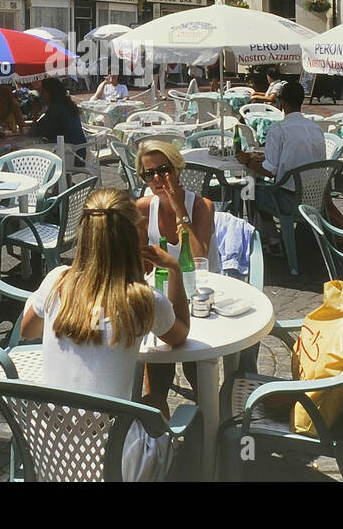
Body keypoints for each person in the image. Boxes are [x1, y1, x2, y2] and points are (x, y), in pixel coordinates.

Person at [19, 187, 191, 480]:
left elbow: (27, 330)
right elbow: (179, 336)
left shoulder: (56, 282)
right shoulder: (143, 300)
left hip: (53, 453)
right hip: (116, 463)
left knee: (144, 404)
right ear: (132, 242)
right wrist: (174, 269)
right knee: (157, 403)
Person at [134, 138, 218, 412]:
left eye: (164, 169)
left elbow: (197, 259)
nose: (158, 178)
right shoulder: (143, 209)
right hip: (162, 298)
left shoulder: (203, 206)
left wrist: (180, 208)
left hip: (201, 300)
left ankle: (207, 421)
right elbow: (137, 265)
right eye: (150, 173)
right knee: (158, 366)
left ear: (178, 169)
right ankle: (159, 431)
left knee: (197, 366)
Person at [235, 80, 326, 246]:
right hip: (316, 196)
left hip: (290, 200)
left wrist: (247, 160)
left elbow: (270, 171)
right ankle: (279, 236)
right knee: (259, 186)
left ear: (281, 102)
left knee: (249, 189)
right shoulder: (316, 128)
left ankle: (270, 237)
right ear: (302, 101)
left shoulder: (279, 129)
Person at [33, 77, 85, 145]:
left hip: (67, 151)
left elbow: (38, 130)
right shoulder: (67, 103)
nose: (42, 95)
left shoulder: (56, 108)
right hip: (79, 148)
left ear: (50, 92)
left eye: (42, 92)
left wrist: (34, 113)